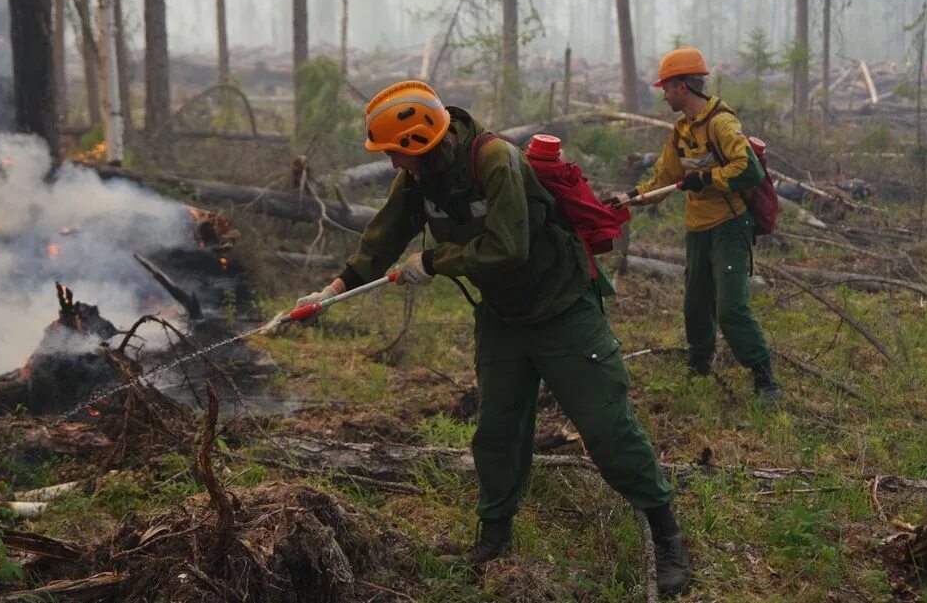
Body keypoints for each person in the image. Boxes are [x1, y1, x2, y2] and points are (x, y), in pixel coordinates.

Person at [295, 80, 692, 598]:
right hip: (503, 315)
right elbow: (385, 233)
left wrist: (435, 261)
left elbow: (510, 247)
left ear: (420, 142)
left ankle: (667, 539)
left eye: (394, 152)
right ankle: (493, 537)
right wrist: (336, 287)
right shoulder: (419, 177)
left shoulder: (496, 161)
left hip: (562, 307)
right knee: (498, 430)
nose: (392, 164)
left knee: (606, 426)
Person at [608, 47, 780, 401]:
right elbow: (663, 179)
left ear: (683, 86)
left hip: (730, 225)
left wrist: (706, 178)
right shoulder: (682, 130)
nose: (664, 94)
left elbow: (749, 169)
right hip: (697, 229)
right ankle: (700, 365)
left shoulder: (721, 123)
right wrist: (627, 197)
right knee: (696, 304)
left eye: (667, 87)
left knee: (730, 308)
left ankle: (764, 377)